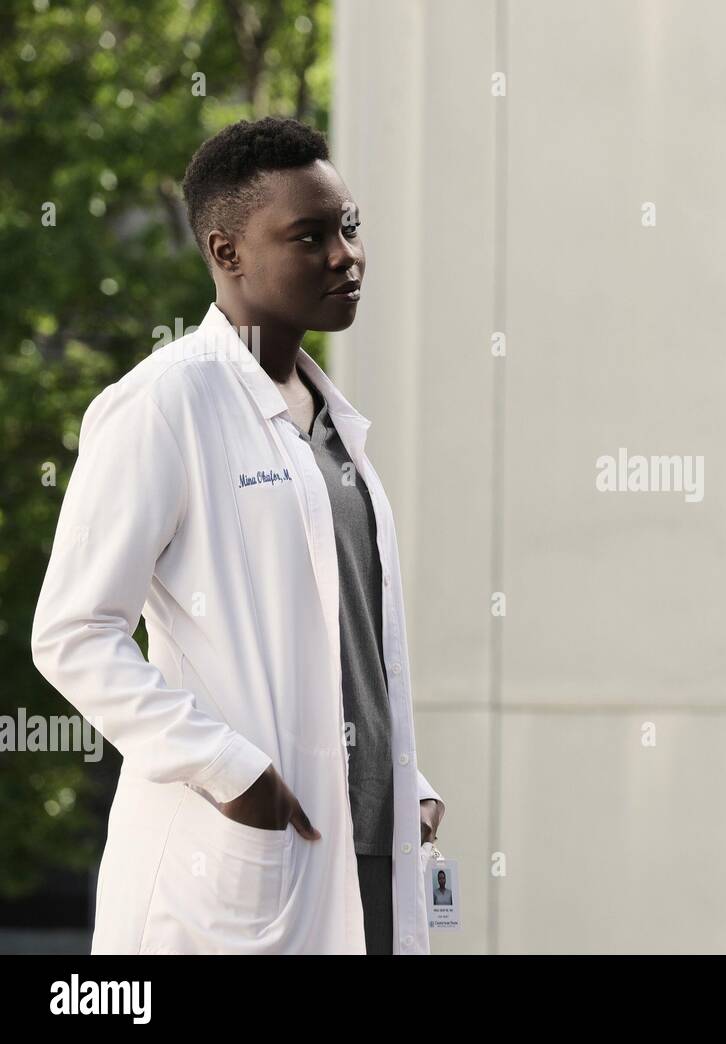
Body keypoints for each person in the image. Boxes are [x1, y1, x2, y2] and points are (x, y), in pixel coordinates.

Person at [31, 116, 445, 954]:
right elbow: (73, 633)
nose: (346, 255)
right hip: (244, 857)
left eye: (349, 227)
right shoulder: (164, 406)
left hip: (369, 848)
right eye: (310, 236)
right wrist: (232, 773)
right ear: (226, 252)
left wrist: (409, 779)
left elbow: (341, 639)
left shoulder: (331, 427)